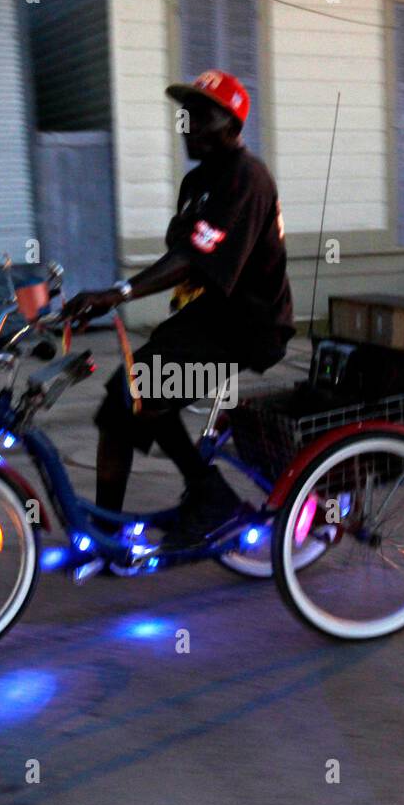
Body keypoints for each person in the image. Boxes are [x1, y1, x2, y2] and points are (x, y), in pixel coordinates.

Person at [62, 69, 294, 549]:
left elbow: (193, 257)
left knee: (143, 390)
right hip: (207, 318)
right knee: (117, 406)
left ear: (230, 124)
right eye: (185, 114)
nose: (187, 124)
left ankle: (213, 499)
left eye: (199, 114)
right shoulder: (197, 182)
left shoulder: (246, 178)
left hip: (247, 328)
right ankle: (106, 530)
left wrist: (117, 294)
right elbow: (182, 253)